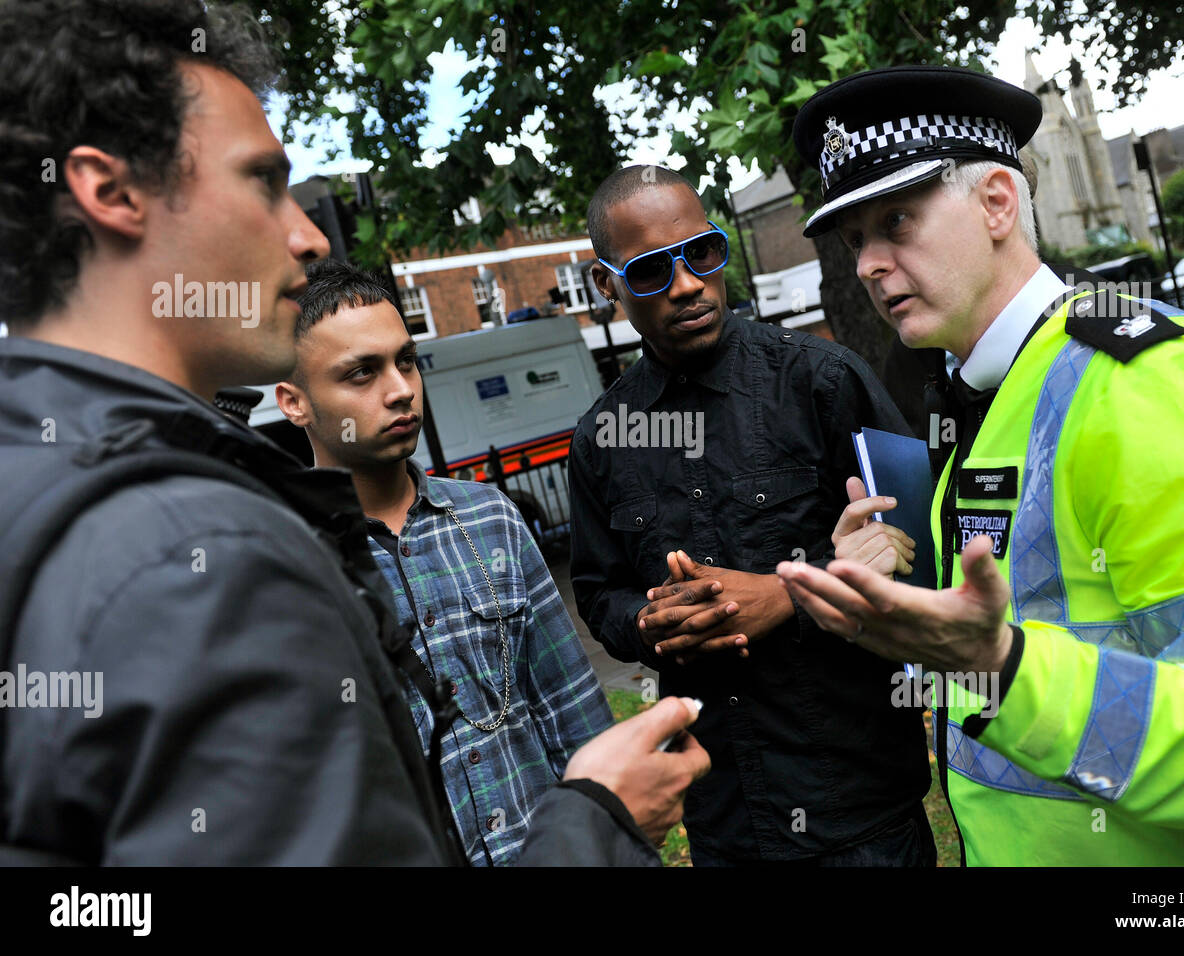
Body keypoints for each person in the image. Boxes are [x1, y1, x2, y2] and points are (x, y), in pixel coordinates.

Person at [0, 0, 706, 865]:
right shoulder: (202, 549)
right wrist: (596, 818)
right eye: (263, 183)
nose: (304, 236)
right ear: (110, 192)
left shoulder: (38, 483)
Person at [777, 64, 1184, 865]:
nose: (868, 265)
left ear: (997, 202)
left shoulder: (1148, 376)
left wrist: (1001, 668)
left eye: (898, 222)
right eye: (854, 242)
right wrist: (896, 592)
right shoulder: (991, 388)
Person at [569, 165, 935, 866]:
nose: (685, 285)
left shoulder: (825, 381)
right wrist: (648, 623)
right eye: (649, 270)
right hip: (727, 820)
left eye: (702, 254)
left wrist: (792, 594)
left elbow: (921, 548)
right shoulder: (600, 440)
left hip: (860, 812)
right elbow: (598, 593)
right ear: (605, 285)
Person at [274, 259, 615, 865]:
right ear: (294, 402)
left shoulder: (491, 519)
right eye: (361, 372)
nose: (401, 388)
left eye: (406, 360)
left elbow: (573, 711)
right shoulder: (282, 567)